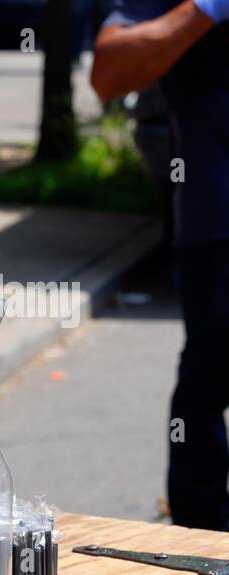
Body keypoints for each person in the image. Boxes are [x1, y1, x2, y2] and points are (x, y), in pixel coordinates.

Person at [92, 0, 228, 529]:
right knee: (209, 377)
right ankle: (202, 552)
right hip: (218, 219)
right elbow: (108, 73)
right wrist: (205, 10)